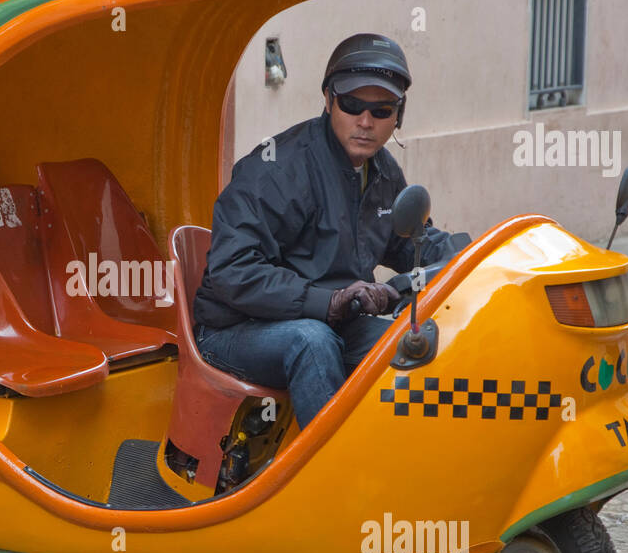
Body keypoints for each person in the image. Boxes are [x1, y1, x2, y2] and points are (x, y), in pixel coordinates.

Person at [193, 32, 464, 429]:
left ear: (398, 116)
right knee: (310, 343)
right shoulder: (277, 170)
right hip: (237, 328)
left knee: (412, 345)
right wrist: (330, 300)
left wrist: (469, 253)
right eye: (352, 105)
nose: (366, 121)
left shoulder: (383, 172)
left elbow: (413, 244)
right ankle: (329, 483)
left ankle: (401, 466)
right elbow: (232, 272)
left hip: (333, 322)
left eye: (382, 110)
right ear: (328, 100)